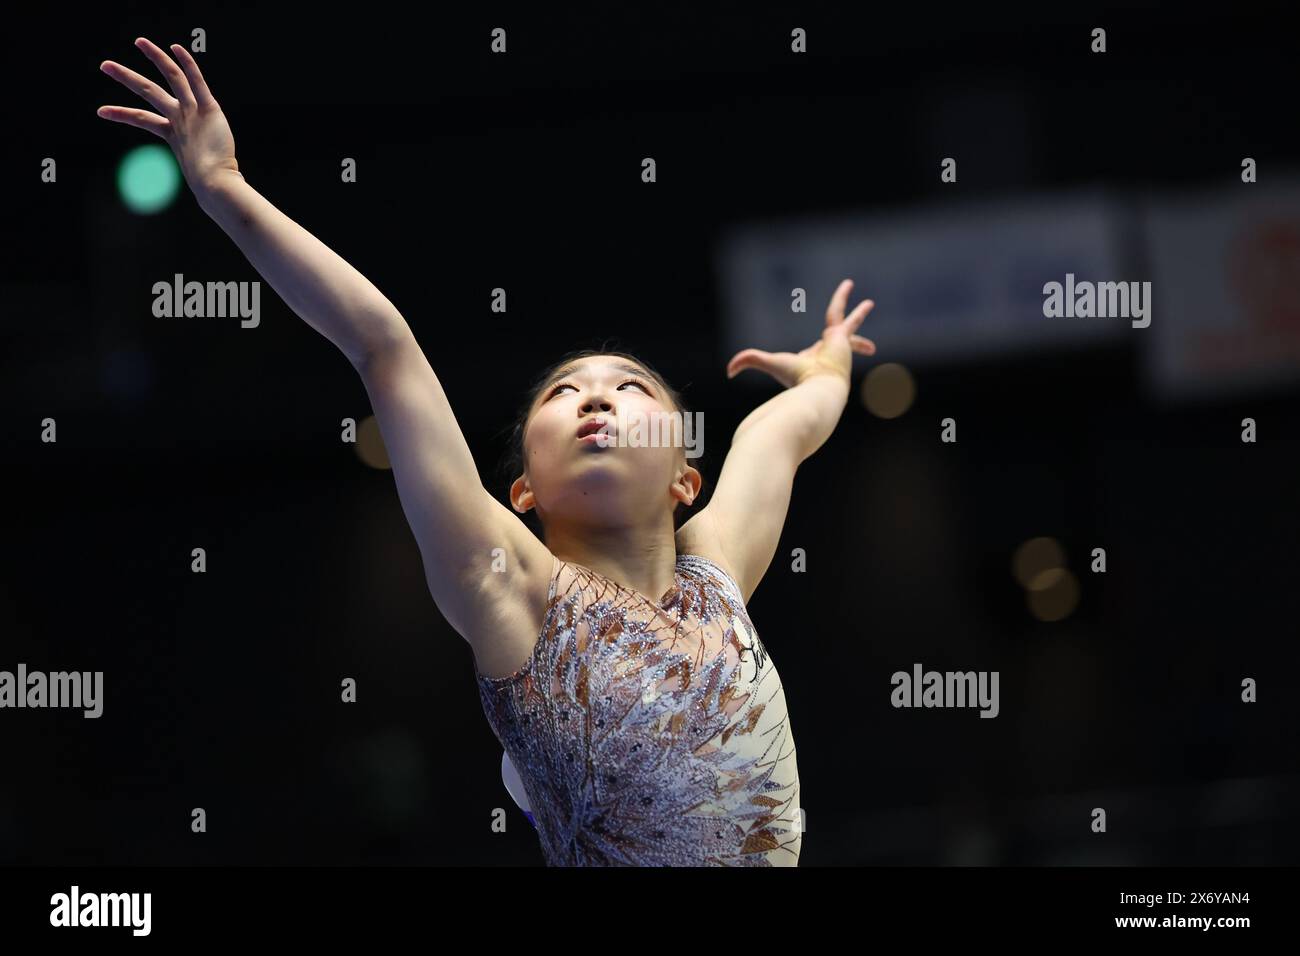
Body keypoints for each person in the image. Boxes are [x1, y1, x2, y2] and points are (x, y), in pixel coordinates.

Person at [98, 37, 878, 866]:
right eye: (563, 393)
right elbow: (382, 345)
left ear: (687, 477)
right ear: (523, 495)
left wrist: (826, 365)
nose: (598, 398)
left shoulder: (717, 571)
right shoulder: (513, 587)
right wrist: (223, 187)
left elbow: (782, 428)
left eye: (632, 387)